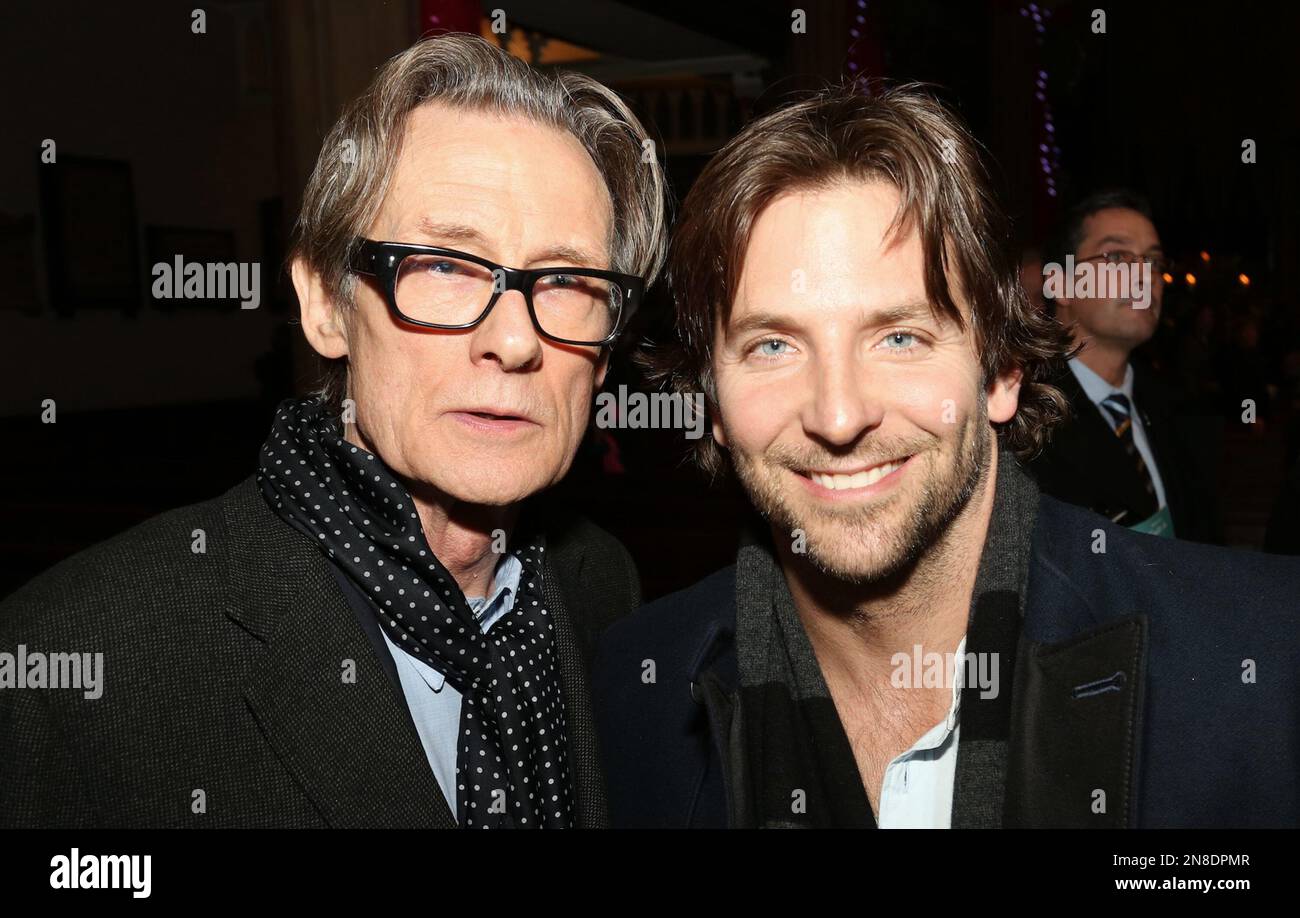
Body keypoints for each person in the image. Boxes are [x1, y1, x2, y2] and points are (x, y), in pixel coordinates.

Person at [0, 33, 665, 828]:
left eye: (565, 282)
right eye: (445, 266)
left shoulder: (602, 587)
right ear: (324, 304)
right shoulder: (83, 659)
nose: (515, 341)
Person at [592, 82, 1300, 828]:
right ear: (714, 405)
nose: (839, 415)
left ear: (1001, 372)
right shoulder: (636, 689)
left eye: (899, 338)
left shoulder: (1263, 662)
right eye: (773, 345)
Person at [1031, 190, 1220, 542]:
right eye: (1117, 256)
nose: (1144, 276)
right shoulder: (1023, 420)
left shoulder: (1179, 411)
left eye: (1154, 262)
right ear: (1061, 285)